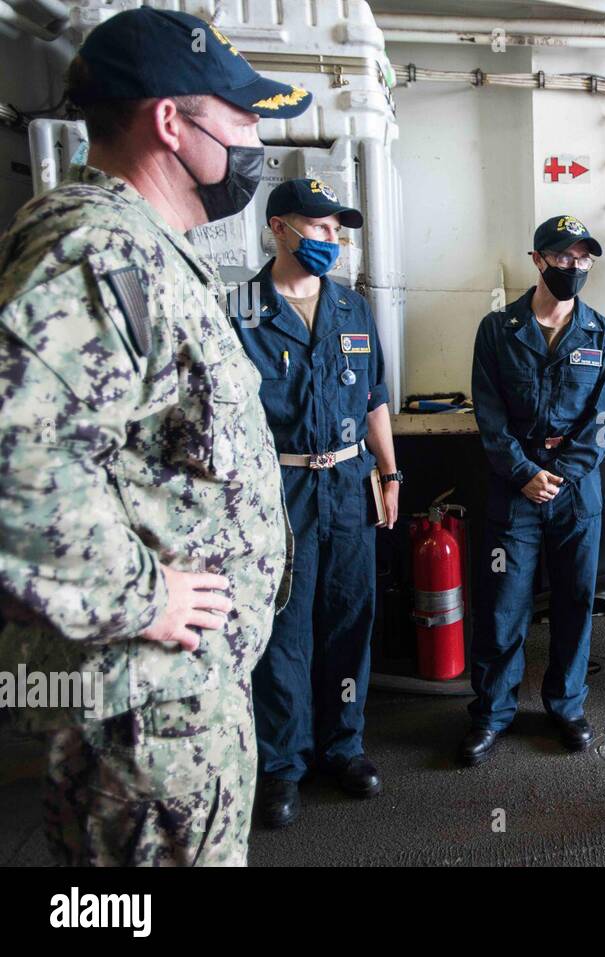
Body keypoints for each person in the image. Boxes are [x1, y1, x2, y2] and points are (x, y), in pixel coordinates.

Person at [0, 7, 309, 865]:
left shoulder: (154, 250)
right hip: (145, 713)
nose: (254, 138)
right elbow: (16, 463)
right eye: (242, 116)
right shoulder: (98, 253)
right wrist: (145, 595)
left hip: (182, 701)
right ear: (172, 121)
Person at [228, 178, 398, 829]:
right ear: (279, 227)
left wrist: (390, 471)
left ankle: (343, 746)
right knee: (285, 632)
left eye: (337, 230)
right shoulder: (237, 307)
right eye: (319, 227)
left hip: (350, 484)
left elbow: (376, 396)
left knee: (349, 620)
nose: (331, 239)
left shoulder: (352, 309)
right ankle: (282, 764)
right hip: (280, 492)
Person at [460, 215, 605, 766]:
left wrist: (561, 475)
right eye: (562, 258)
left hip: (576, 493)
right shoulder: (497, 329)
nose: (573, 268)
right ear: (537, 260)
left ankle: (566, 705)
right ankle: (493, 712)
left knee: (576, 601)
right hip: (514, 489)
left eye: (583, 259)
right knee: (504, 603)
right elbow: (489, 413)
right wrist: (524, 473)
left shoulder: (603, 334)